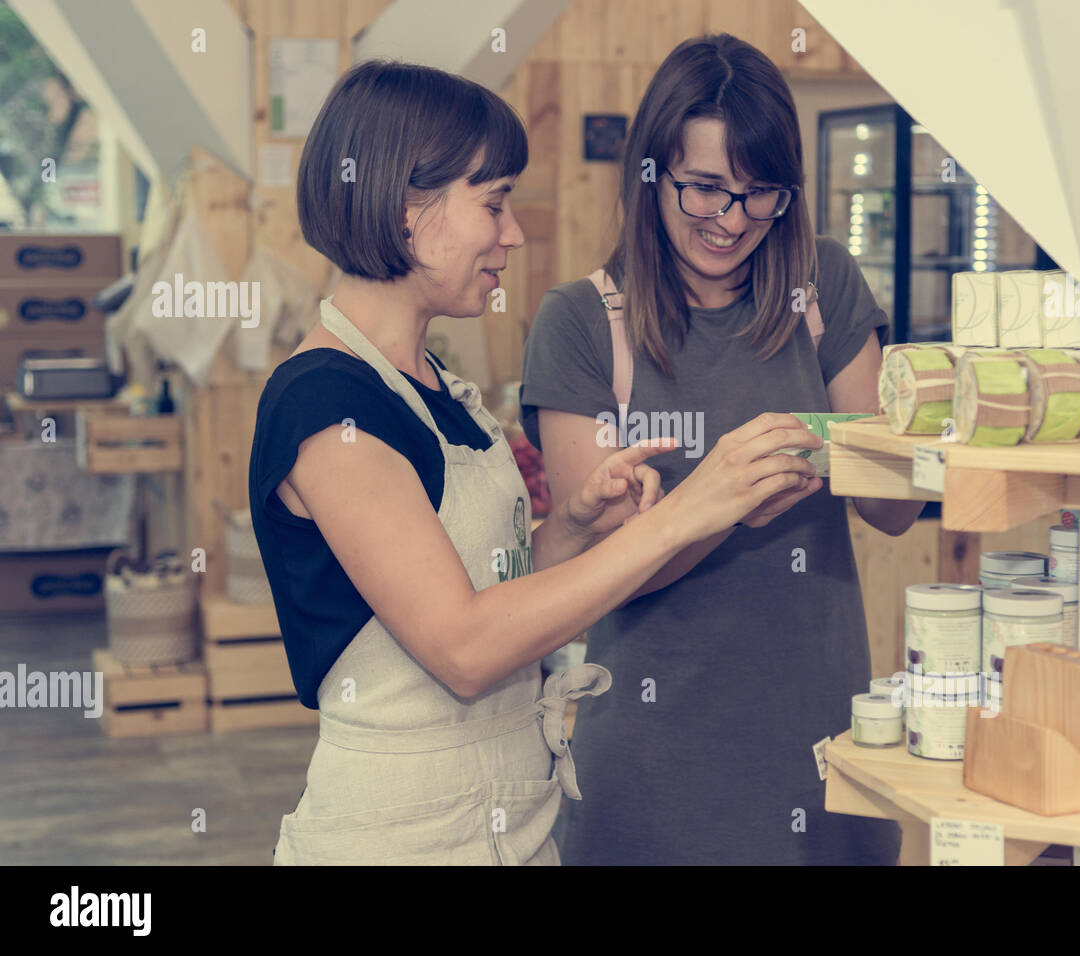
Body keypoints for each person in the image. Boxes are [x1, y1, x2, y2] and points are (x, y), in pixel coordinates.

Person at [248, 59, 823, 865]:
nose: (513, 233)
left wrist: (573, 529)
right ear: (408, 207)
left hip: (500, 825)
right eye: (494, 203)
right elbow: (466, 647)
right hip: (401, 838)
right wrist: (693, 511)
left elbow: (482, 584)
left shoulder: (432, 383)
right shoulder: (326, 407)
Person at [521, 34, 925, 865]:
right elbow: (589, 579)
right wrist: (723, 504)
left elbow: (896, 510)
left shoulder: (827, 287)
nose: (731, 220)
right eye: (704, 187)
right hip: (657, 759)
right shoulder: (580, 325)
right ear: (650, 172)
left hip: (822, 736)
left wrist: (904, 438)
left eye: (760, 193)